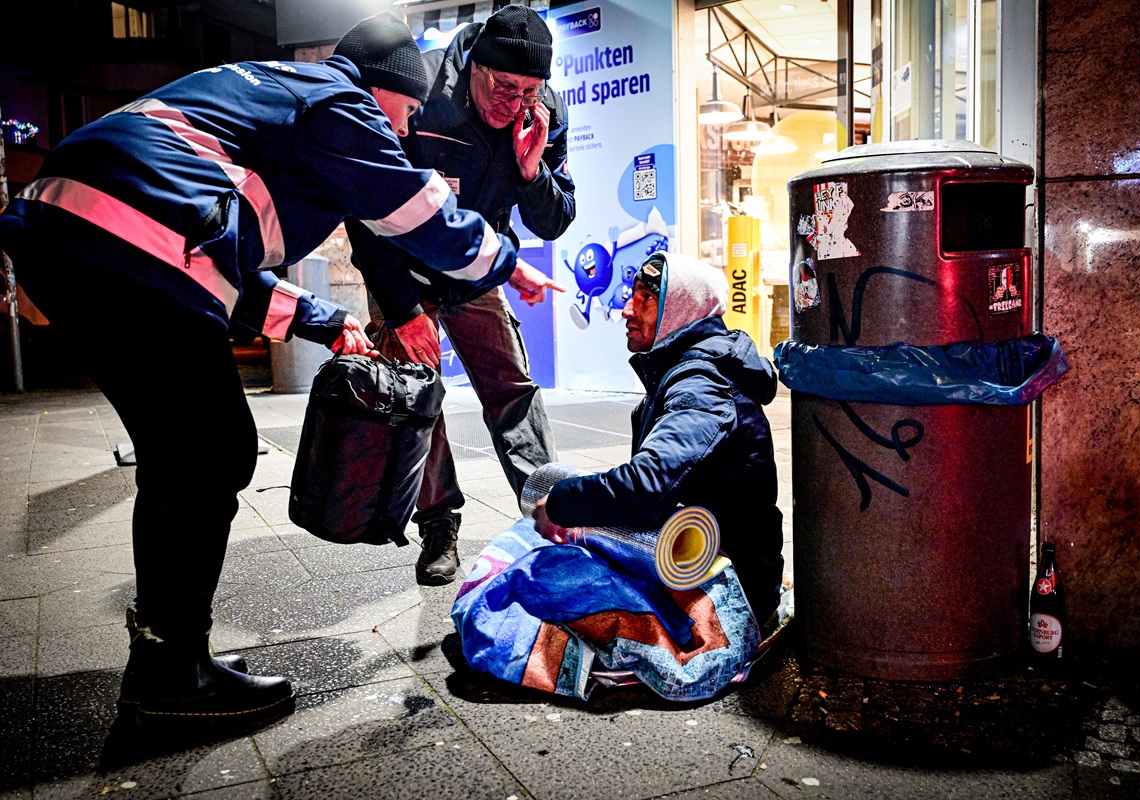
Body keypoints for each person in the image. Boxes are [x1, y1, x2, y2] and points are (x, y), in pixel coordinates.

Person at [0, 11, 523, 727]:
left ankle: (168, 651)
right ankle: (170, 670)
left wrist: (326, 321)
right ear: (384, 88)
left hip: (68, 236)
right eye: (403, 111)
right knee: (213, 453)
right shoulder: (335, 98)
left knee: (174, 454)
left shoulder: (257, 93)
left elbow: (208, 253)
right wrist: (506, 260)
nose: (401, 131)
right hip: (130, 246)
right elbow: (411, 210)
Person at [346, 5, 574, 587]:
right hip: (403, 267)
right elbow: (366, 210)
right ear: (474, 64)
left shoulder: (543, 111)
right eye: (502, 87)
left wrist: (531, 173)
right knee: (420, 400)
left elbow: (554, 222)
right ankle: (439, 525)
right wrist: (401, 311)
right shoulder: (419, 91)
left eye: (528, 90)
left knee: (511, 386)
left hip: (476, 269)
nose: (514, 103)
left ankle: (550, 512)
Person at [532, 252, 785, 625]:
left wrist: (560, 504)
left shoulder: (701, 382)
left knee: (536, 585)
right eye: (631, 296)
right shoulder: (686, 369)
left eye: (646, 298)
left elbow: (648, 484)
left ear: (682, 308)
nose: (627, 311)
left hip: (730, 588)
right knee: (555, 491)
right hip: (700, 559)